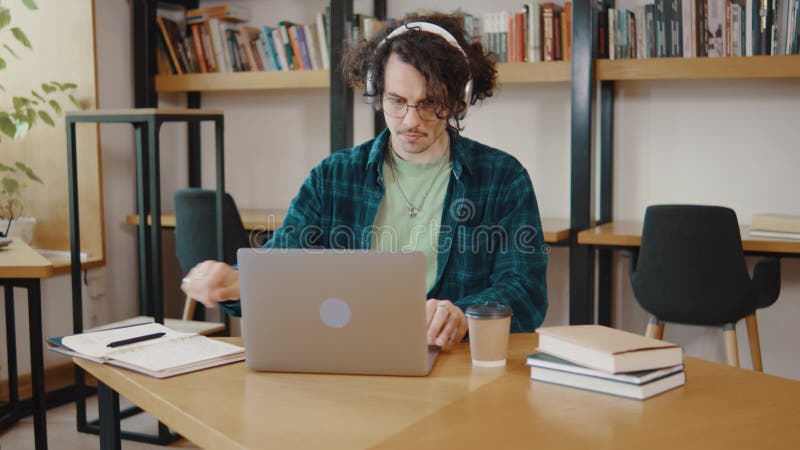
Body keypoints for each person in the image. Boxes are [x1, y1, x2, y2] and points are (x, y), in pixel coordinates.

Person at [181, 11, 548, 350]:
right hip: (352, 358)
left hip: (458, 368)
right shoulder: (334, 176)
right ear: (376, 92)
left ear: (458, 100)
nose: (410, 120)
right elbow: (283, 264)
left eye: (430, 103)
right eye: (397, 101)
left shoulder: (503, 178)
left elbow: (526, 293)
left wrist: (463, 315)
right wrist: (235, 281)